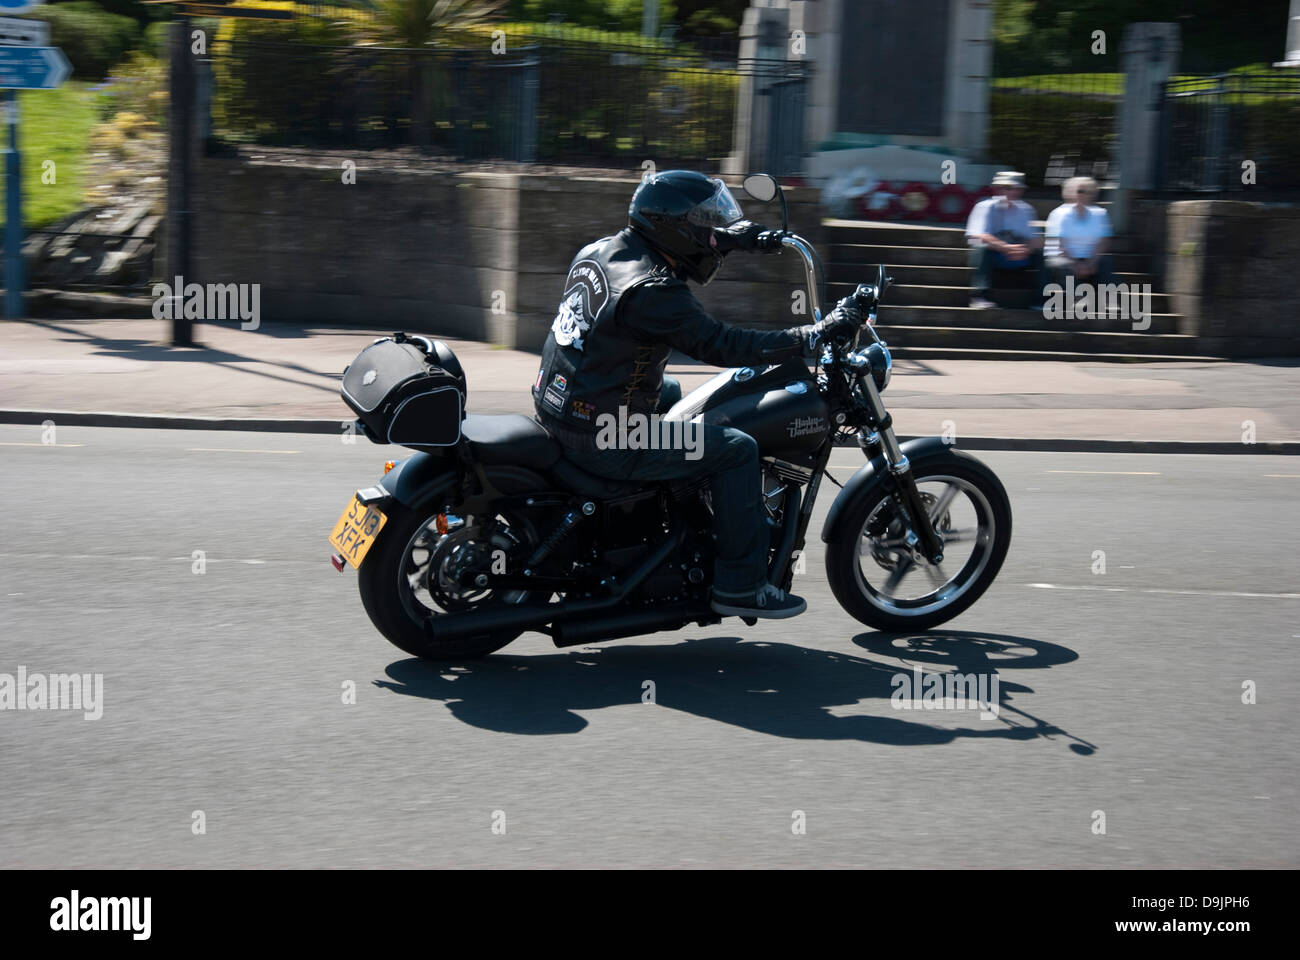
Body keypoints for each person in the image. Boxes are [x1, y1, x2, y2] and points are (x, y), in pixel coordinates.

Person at [532, 170, 861, 619]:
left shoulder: (600, 252)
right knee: (736, 450)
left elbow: (685, 246)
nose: (711, 235)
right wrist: (810, 336)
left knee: (671, 391)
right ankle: (741, 585)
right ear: (675, 227)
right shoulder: (655, 292)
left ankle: (681, 518)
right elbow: (723, 345)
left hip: (562, 406)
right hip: (607, 435)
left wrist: (736, 239)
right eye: (705, 225)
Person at [964, 170, 1047, 309]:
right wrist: (1005, 247)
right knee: (980, 247)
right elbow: (976, 235)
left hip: (1018, 255)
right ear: (997, 189)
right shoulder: (983, 206)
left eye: (1017, 189)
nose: (1013, 192)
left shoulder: (1026, 209)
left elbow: (1036, 239)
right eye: (1009, 188)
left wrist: (1025, 249)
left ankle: (1041, 299)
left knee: (1042, 253)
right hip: (995, 254)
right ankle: (979, 296)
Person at [1044, 176, 1114, 299]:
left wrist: (1091, 263)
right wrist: (1075, 264)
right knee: (1062, 265)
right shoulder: (1058, 214)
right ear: (1070, 192)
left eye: (1089, 191)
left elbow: (1104, 242)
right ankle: (1077, 301)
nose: (1084, 195)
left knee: (1105, 262)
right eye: (1080, 191)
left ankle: (1110, 300)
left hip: (1089, 257)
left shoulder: (1101, 213)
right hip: (1063, 257)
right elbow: (1060, 245)